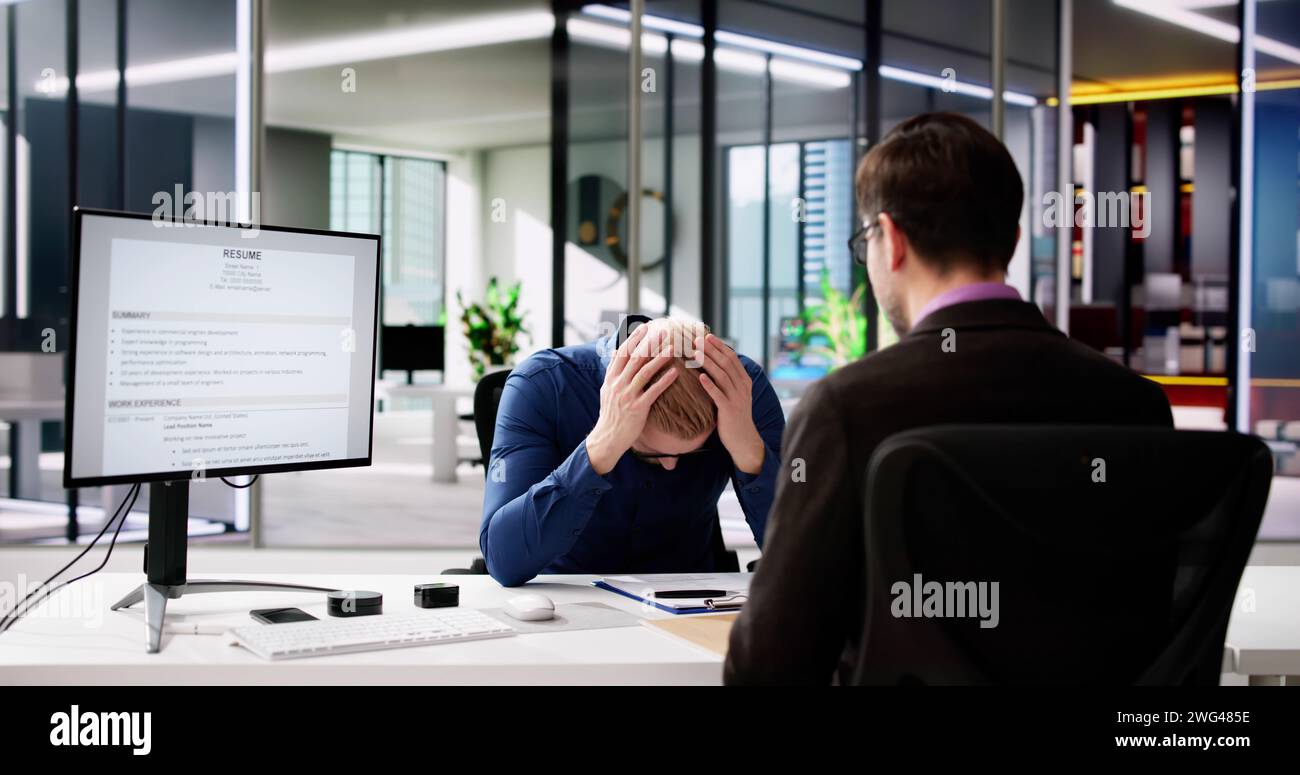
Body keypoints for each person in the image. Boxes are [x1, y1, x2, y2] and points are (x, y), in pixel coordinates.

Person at [724, 112, 1174, 685]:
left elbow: (768, 667)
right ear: (1012, 241)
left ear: (891, 242)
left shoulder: (848, 408)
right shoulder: (1136, 406)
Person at [480, 317, 784, 586]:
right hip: (566, 598)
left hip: (689, 596)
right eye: (651, 452)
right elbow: (504, 560)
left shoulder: (742, 390)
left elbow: (808, 552)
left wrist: (750, 451)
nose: (669, 467)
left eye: (693, 452)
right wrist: (600, 448)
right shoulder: (542, 384)